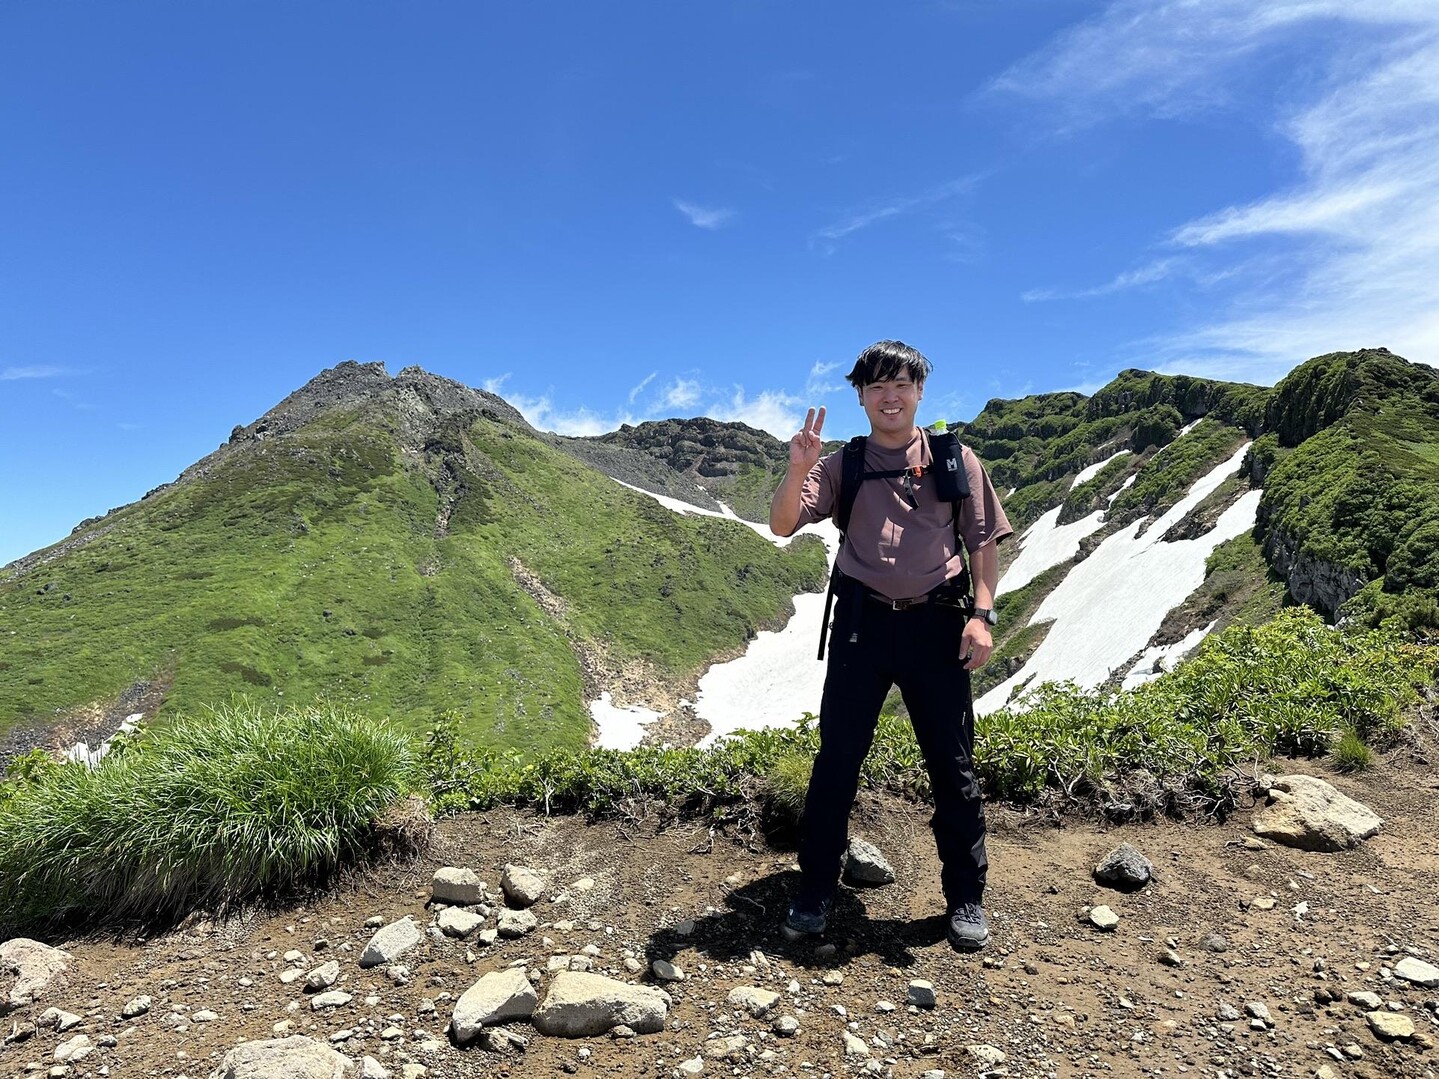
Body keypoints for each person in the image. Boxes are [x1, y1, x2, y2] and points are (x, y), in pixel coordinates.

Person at [768, 339, 1012, 952]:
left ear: (920, 391)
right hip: (862, 625)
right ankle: (815, 890)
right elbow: (782, 524)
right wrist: (799, 467)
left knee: (952, 765)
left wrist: (981, 616)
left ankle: (965, 897)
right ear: (861, 396)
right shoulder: (842, 463)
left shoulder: (955, 459)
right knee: (837, 761)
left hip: (938, 623)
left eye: (901, 384)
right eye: (876, 386)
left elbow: (982, 542)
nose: (889, 396)